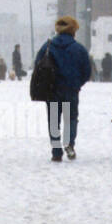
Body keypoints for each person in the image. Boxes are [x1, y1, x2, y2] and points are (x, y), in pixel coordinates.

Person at [35, 16, 90, 161]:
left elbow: (38, 65)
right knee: (70, 117)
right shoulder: (79, 48)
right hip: (71, 89)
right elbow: (87, 71)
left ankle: (56, 150)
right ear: (73, 30)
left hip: (51, 89)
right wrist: (77, 83)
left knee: (54, 119)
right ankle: (69, 143)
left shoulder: (47, 46)